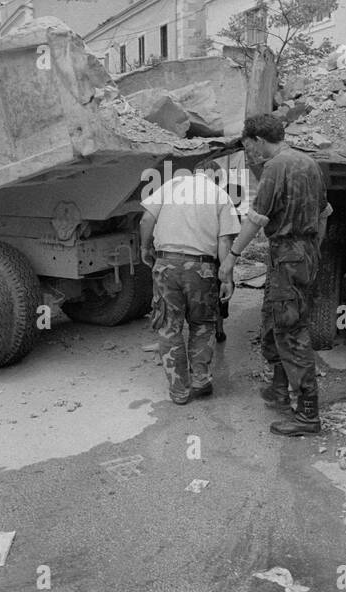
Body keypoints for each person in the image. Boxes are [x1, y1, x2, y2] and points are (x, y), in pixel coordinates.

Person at [221, 114, 331, 436]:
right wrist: (310, 247)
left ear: (258, 139)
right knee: (277, 319)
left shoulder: (275, 167)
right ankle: (279, 389)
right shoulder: (309, 163)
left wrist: (231, 256)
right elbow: (325, 213)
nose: (250, 153)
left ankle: (308, 414)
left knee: (291, 329)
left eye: (249, 146)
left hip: (287, 255)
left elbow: (256, 219)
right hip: (303, 253)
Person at [140, 167, 239, 404]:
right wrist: (227, 278)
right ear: (216, 177)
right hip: (201, 269)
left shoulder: (171, 186)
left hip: (166, 264)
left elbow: (146, 218)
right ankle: (201, 381)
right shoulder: (220, 195)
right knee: (203, 325)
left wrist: (144, 247)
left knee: (169, 326)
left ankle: (179, 391)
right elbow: (224, 241)